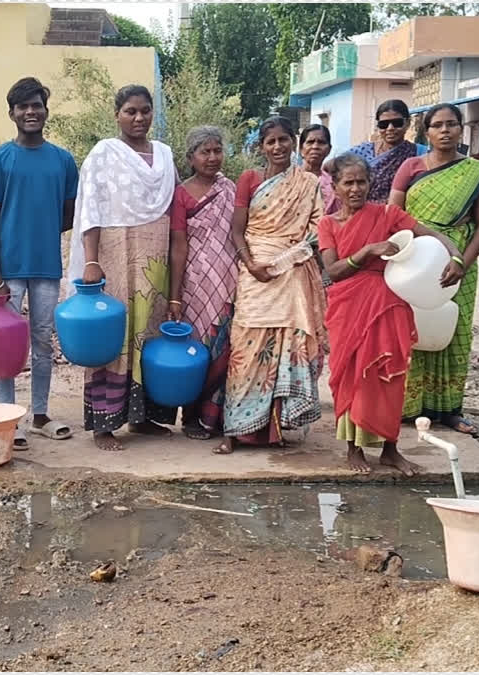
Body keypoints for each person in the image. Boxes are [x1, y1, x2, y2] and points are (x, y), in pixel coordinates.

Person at [319, 152, 463, 475]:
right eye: (348, 183)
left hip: (388, 303)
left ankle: (390, 448)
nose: (356, 189)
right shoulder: (327, 224)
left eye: (362, 182)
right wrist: (368, 250)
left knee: (390, 375)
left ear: (371, 183)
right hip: (348, 306)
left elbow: (434, 236)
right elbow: (333, 270)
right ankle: (353, 449)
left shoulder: (387, 214)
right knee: (353, 375)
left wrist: (456, 258)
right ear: (336, 187)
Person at [66, 85, 178, 452]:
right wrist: (92, 260)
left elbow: (173, 208)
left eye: (145, 111)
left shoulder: (164, 154)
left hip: (155, 253)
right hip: (115, 250)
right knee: (113, 332)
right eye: (130, 111)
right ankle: (104, 422)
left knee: (149, 330)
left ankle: (144, 418)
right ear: (117, 114)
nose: (139, 118)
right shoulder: (104, 153)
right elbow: (91, 210)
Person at [0, 77, 78, 450]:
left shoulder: (63, 161)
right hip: (8, 271)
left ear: (46, 111)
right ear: (12, 113)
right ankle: (8, 417)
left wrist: (41, 229)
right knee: (6, 345)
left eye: (37, 105)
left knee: (42, 342)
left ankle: (39, 415)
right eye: (23, 107)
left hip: (47, 267)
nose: (31, 112)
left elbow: (68, 215)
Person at [217, 117, 328, 453]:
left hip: (294, 270)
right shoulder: (249, 179)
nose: (278, 147)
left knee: (286, 346)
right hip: (255, 272)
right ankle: (234, 430)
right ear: (261, 147)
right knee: (245, 347)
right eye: (271, 142)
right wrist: (251, 264)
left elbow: (317, 227)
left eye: (283, 140)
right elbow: (237, 230)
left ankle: (275, 429)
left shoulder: (307, 183)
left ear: (293, 142)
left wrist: (292, 254)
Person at [389, 103, 479, 435]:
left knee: (454, 331)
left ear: (461, 129)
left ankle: (449, 410)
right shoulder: (411, 166)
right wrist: (428, 240)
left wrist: (462, 260)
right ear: (426, 131)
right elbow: (394, 214)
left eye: (451, 124)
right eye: (437, 125)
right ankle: (407, 407)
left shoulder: (476, 171)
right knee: (411, 329)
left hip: (459, 259)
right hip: (416, 258)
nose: (445, 130)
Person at [166, 126, 238, 441]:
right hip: (195, 281)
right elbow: (178, 245)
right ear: (191, 157)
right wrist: (175, 296)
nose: (212, 158)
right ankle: (192, 415)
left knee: (226, 347)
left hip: (228, 278)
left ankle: (219, 416)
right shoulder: (180, 193)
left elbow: (239, 234)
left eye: (217, 150)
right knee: (197, 350)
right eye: (204, 152)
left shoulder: (231, 189)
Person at [348, 100, 419, 204]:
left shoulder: (419, 152)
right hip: (363, 213)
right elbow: (331, 168)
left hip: (399, 214)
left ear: (407, 123)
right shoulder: (362, 151)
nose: (390, 128)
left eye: (397, 123)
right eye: (383, 124)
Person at [299, 124, 336, 214]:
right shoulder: (289, 179)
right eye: (310, 142)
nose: (315, 146)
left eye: (321, 142)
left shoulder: (333, 183)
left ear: (329, 150)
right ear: (301, 149)